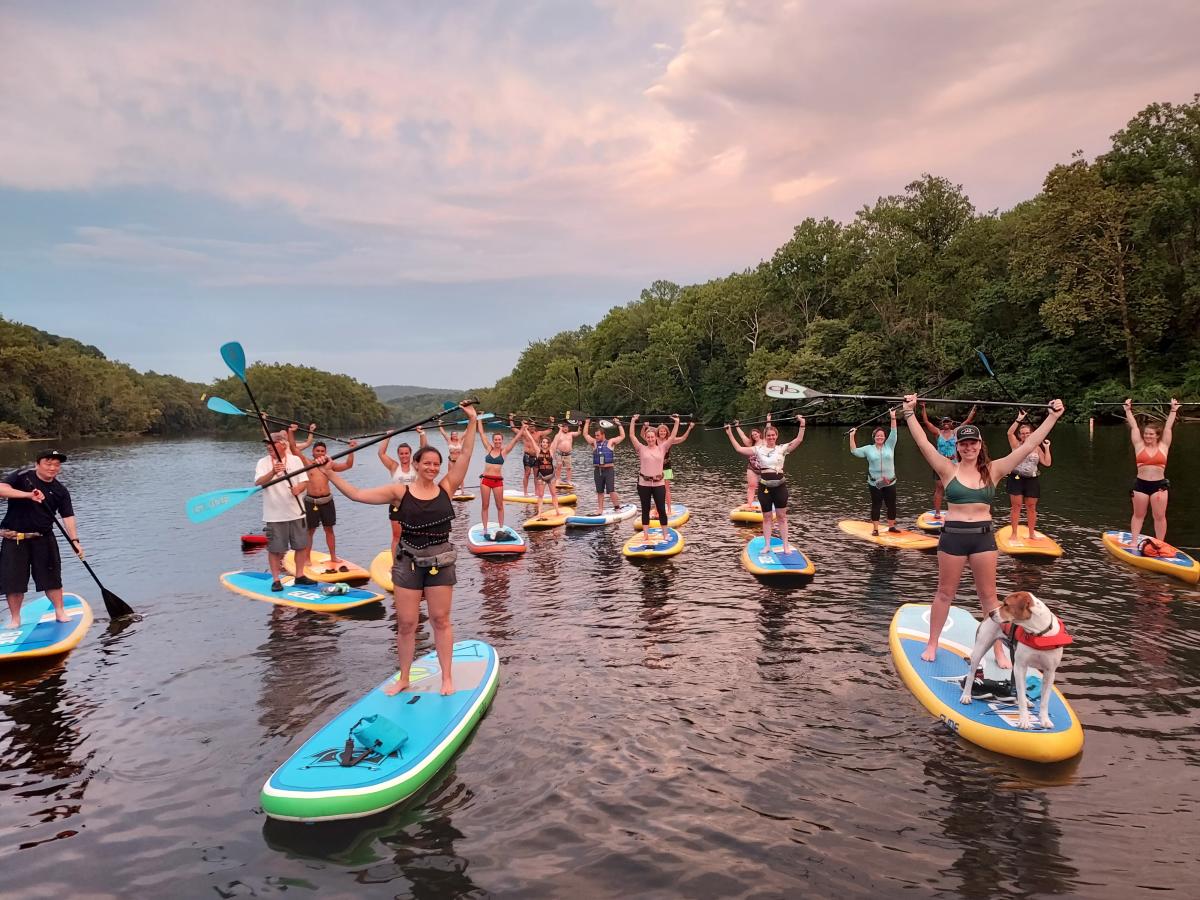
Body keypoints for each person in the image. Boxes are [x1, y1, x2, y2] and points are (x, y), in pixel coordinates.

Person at [318, 404, 478, 696]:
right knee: (406, 623)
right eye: (426, 463)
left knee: (441, 620)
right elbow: (356, 495)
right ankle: (404, 677)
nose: (432, 468)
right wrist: (329, 474)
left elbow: (466, 454)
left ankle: (447, 678)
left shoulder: (447, 487)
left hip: (440, 562)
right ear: (416, 465)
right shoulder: (399, 492)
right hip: (408, 562)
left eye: (436, 464)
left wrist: (472, 421)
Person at [903, 394, 1065, 664]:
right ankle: (932, 643)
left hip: (983, 540)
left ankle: (998, 649)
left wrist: (1053, 416)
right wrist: (909, 413)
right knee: (944, 593)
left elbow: (1031, 445)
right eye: (964, 443)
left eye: (973, 442)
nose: (968, 447)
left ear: (980, 445)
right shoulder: (947, 469)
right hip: (953, 539)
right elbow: (922, 442)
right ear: (957, 446)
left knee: (990, 599)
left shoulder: (995, 469)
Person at [0, 449, 81, 627]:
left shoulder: (60, 490)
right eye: (48, 463)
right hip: (14, 538)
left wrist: (75, 541)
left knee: (52, 578)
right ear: (38, 464)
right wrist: (28, 495)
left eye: (56, 464)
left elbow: (67, 516)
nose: (52, 468)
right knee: (13, 582)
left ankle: (60, 612)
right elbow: (1, 489)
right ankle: (15, 619)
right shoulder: (22, 476)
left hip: (43, 538)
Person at [724, 415, 806, 554]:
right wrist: (730, 433)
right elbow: (739, 449)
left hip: (780, 487)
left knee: (782, 517)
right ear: (765, 436)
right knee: (767, 517)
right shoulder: (758, 449)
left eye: (773, 435)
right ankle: (767, 545)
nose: (771, 437)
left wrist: (802, 424)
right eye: (769, 435)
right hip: (765, 488)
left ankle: (786, 545)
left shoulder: (783, 448)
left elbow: (799, 439)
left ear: (776, 436)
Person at [254, 431, 316, 592]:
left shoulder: (295, 460)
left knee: (301, 546)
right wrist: (273, 472)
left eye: (272, 444)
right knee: (275, 549)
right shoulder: (262, 462)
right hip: (274, 515)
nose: (268, 447)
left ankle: (300, 576)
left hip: (297, 512)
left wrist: (298, 489)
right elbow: (259, 483)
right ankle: (276, 580)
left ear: (283, 445)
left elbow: (305, 481)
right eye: (267, 444)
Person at [287, 425, 356, 567]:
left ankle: (333, 556)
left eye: (322, 451)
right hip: (311, 502)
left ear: (326, 453)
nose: (319, 453)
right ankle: (307, 558)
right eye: (317, 451)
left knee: (329, 530)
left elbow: (348, 465)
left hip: (327, 501)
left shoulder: (330, 465)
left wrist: (351, 449)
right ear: (312, 452)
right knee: (309, 532)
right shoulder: (307, 463)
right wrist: (291, 432)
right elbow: (294, 449)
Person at [1124, 397, 1180, 545]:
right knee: (1138, 515)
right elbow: (1135, 427)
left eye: (1150, 434)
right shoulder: (1139, 445)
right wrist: (1128, 410)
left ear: (1157, 436)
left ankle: (1160, 544)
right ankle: (1134, 541)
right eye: (1146, 433)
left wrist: (1173, 410)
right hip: (1140, 485)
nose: (1147, 436)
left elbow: (1168, 428)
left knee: (1160, 516)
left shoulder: (1163, 446)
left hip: (1159, 486)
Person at [629, 414, 685, 542]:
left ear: (656, 437)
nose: (650, 439)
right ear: (646, 438)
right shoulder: (641, 448)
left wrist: (677, 423)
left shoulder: (663, 448)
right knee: (645, 509)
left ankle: (665, 534)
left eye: (652, 437)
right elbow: (632, 435)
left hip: (659, 483)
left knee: (661, 508)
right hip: (644, 484)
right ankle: (645, 535)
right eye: (648, 437)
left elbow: (671, 437)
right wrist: (633, 421)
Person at [919, 403, 978, 521]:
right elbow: (926, 422)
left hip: (954, 464)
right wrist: (923, 407)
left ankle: (959, 510)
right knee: (939, 488)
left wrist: (974, 407)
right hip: (940, 464)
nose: (946, 424)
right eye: (944, 422)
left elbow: (968, 420)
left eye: (948, 422)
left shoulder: (956, 432)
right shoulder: (937, 433)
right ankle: (937, 512)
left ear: (951, 423)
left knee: (957, 487)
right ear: (942, 424)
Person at [378, 427, 428, 554]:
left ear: (410, 454)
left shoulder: (416, 466)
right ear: (398, 454)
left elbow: (424, 450)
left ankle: (416, 560)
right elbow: (381, 453)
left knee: (416, 535)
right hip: (396, 504)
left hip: (414, 504)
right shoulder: (394, 466)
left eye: (406, 453)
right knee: (396, 536)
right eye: (401, 453)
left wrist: (422, 433)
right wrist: (388, 436)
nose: (404, 456)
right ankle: (395, 565)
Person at [849, 409, 899, 536]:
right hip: (874, 483)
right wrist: (852, 436)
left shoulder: (890, 445)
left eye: (882, 435)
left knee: (891, 505)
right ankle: (875, 529)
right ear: (874, 437)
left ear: (885, 437)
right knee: (876, 505)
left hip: (890, 482)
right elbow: (854, 451)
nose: (880, 437)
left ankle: (891, 527)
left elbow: (894, 431)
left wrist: (893, 417)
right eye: (877, 435)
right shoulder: (868, 449)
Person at [1005, 411, 1053, 540]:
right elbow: (1009, 433)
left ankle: (1032, 534)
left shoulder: (1037, 447)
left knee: (1031, 507)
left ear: (1031, 434)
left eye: (1028, 433)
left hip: (1032, 479)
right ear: (1020, 435)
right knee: (1016, 506)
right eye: (1023, 433)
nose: (1025, 435)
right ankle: (1014, 533)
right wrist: (1019, 419)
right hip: (1016, 478)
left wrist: (1047, 448)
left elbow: (1047, 463)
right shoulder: (1016, 445)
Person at [478, 424, 525, 535]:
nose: (497, 441)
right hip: (485, 481)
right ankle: (484, 529)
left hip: (497, 482)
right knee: (485, 505)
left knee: (499, 506)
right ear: (493, 440)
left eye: (499, 440)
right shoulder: (488, 448)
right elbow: (481, 433)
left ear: (502, 441)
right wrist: (479, 419)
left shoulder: (504, 452)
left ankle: (501, 528)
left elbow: (515, 439)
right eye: (496, 439)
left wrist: (522, 428)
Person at [582, 417, 627, 514]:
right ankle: (600, 509)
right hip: (598, 470)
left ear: (603, 435)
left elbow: (622, 436)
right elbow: (585, 434)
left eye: (598, 435)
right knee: (599, 491)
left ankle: (617, 507)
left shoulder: (610, 442)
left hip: (609, 470)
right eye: (595, 435)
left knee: (611, 490)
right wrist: (587, 422)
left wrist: (618, 424)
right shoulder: (594, 443)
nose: (596, 437)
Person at [657, 420, 695, 512]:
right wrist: (644, 427)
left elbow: (683, 438)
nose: (662, 432)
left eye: (664, 431)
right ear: (658, 432)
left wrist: (689, 428)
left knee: (666, 489)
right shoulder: (654, 439)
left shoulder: (670, 440)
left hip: (666, 466)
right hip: (656, 467)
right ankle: (658, 508)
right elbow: (643, 436)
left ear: (666, 432)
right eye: (661, 431)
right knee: (657, 489)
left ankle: (669, 509)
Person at [733, 420, 765, 509]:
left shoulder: (765, 441)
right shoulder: (750, 443)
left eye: (756, 434)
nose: (755, 436)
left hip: (764, 467)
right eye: (753, 435)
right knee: (751, 485)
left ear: (760, 434)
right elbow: (742, 436)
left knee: (765, 486)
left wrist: (768, 420)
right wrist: (737, 427)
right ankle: (749, 504)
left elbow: (768, 429)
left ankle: (765, 502)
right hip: (752, 467)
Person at [532, 435, 563, 517]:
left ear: (548, 444)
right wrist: (525, 430)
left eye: (546, 442)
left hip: (551, 476)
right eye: (543, 442)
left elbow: (556, 440)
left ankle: (557, 511)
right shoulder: (538, 451)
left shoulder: (551, 451)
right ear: (541, 443)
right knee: (540, 495)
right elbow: (532, 440)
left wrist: (560, 430)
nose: (544, 444)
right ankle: (539, 512)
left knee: (554, 494)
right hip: (541, 476)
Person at [552, 421, 581, 486]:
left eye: (567, 427)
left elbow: (579, 433)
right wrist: (553, 453)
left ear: (568, 428)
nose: (565, 428)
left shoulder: (570, 434)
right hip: (559, 453)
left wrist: (579, 425)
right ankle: (558, 480)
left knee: (569, 468)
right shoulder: (558, 434)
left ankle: (569, 480)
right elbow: (554, 444)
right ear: (562, 428)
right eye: (564, 427)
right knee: (559, 466)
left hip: (568, 454)